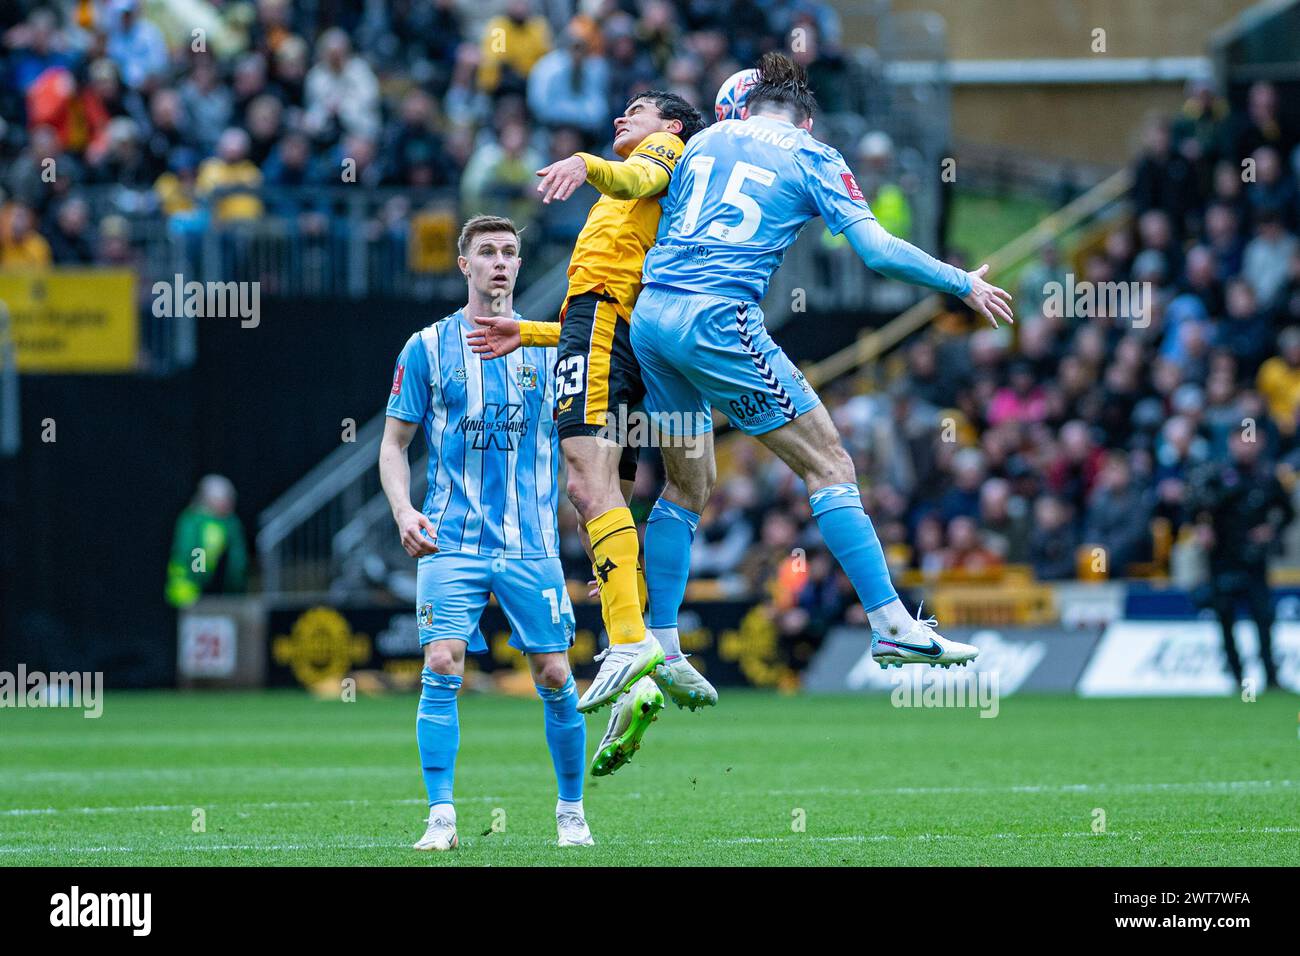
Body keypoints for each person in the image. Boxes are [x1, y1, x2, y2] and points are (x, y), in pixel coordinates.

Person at [626, 53, 1011, 695]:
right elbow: (877, 250)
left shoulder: (704, 141)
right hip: (717, 318)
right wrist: (959, 281)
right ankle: (890, 622)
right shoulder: (812, 154)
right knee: (830, 465)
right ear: (807, 117)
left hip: (653, 316)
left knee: (687, 487)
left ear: (746, 108)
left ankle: (660, 646)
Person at [467, 91, 714, 775]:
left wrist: (584, 161)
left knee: (584, 483)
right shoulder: (651, 182)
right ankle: (634, 673)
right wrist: (535, 331)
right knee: (602, 504)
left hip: (604, 325)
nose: (619, 121)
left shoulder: (663, 152)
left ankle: (633, 642)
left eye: (636, 110)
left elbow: (635, 179)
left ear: (671, 124)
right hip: (612, 331)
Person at [378, 215, 593, 851]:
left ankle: (572, 812)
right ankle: (440, 816)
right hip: (452, 539)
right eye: (487, 253)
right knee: (441, 662)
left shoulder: (553, 349)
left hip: (532, 543)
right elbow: (394, 444)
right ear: (464, 265)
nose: (500, 262)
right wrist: (401, 509)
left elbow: (584, 439)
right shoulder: (425, 348)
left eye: (509, 253)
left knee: (555, 674)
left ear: (519, 266)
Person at [1184, 430, 1294, 690]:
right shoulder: (1215, 474)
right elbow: (1192, 507)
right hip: (1222, 558)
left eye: (1251, 441)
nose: (1245, 447)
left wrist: (1271, 529)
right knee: (1225, 617)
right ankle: (1237, 678)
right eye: (1240, 441)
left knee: (1263, 617)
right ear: (1231, 443)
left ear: (1261, 443)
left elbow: (1287, 513)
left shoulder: (1267, 477)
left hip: (1254, 560)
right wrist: (1201, 528)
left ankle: (1272, 677)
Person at [165, 475, 248, 607]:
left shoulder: (229, 523)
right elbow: (192, 549)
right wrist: (198, 575)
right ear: (210, 499)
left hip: (210, 583)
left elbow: (237, 557)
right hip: (187, 583)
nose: (228, 504)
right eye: (223, 499)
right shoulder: (194, 520)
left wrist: (235, 583)